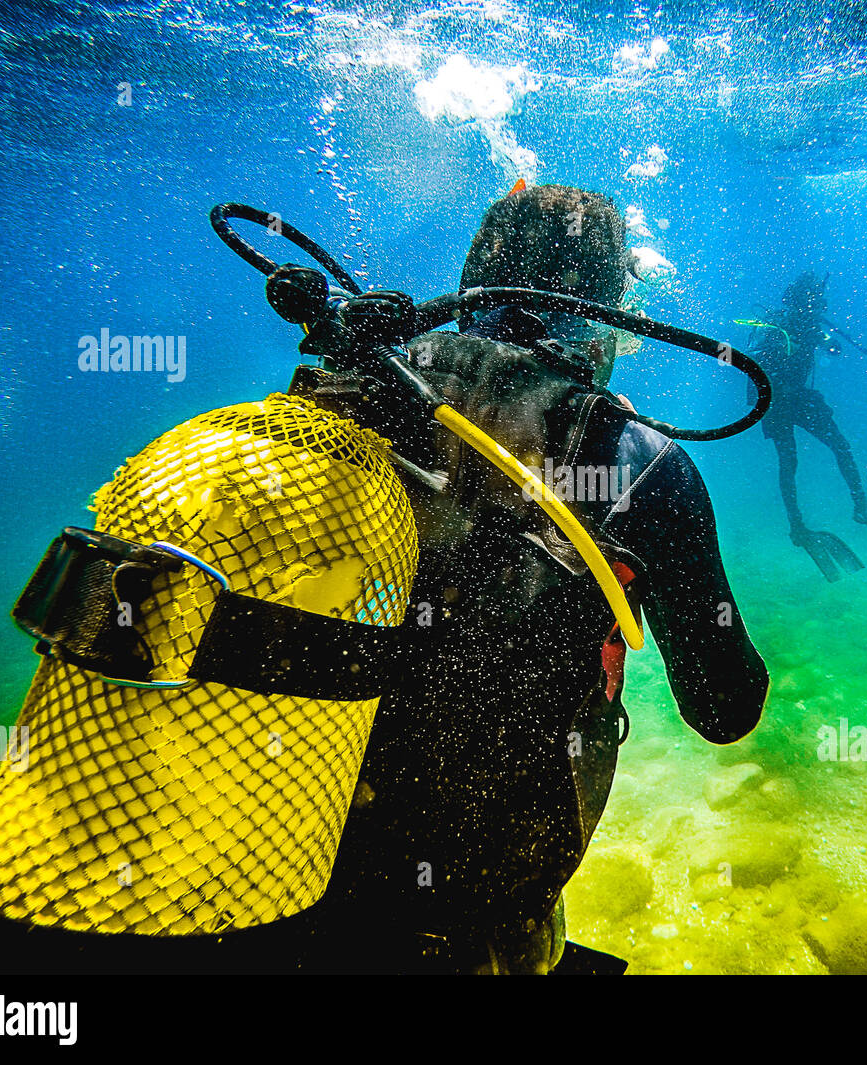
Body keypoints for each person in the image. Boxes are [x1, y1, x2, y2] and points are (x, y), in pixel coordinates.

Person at [302, 183, 769, 973]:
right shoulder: (642, 463)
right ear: (607, 308)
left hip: (286, 872)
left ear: (475, 276)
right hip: (487, 915)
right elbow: (724, 711)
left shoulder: (345, 396)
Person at [748, 271, 867, 582]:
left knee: (839, 446)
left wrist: (824, 338)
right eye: (814, 300)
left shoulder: (811, 326)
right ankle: (798, 526)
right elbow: (760, 362)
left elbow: (834, 350)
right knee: (789, 460)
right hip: (776, 401)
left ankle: (862, 509)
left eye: (820, 300)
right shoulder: (779, 326)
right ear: (799, 301)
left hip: (800, 398)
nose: (819, 305)